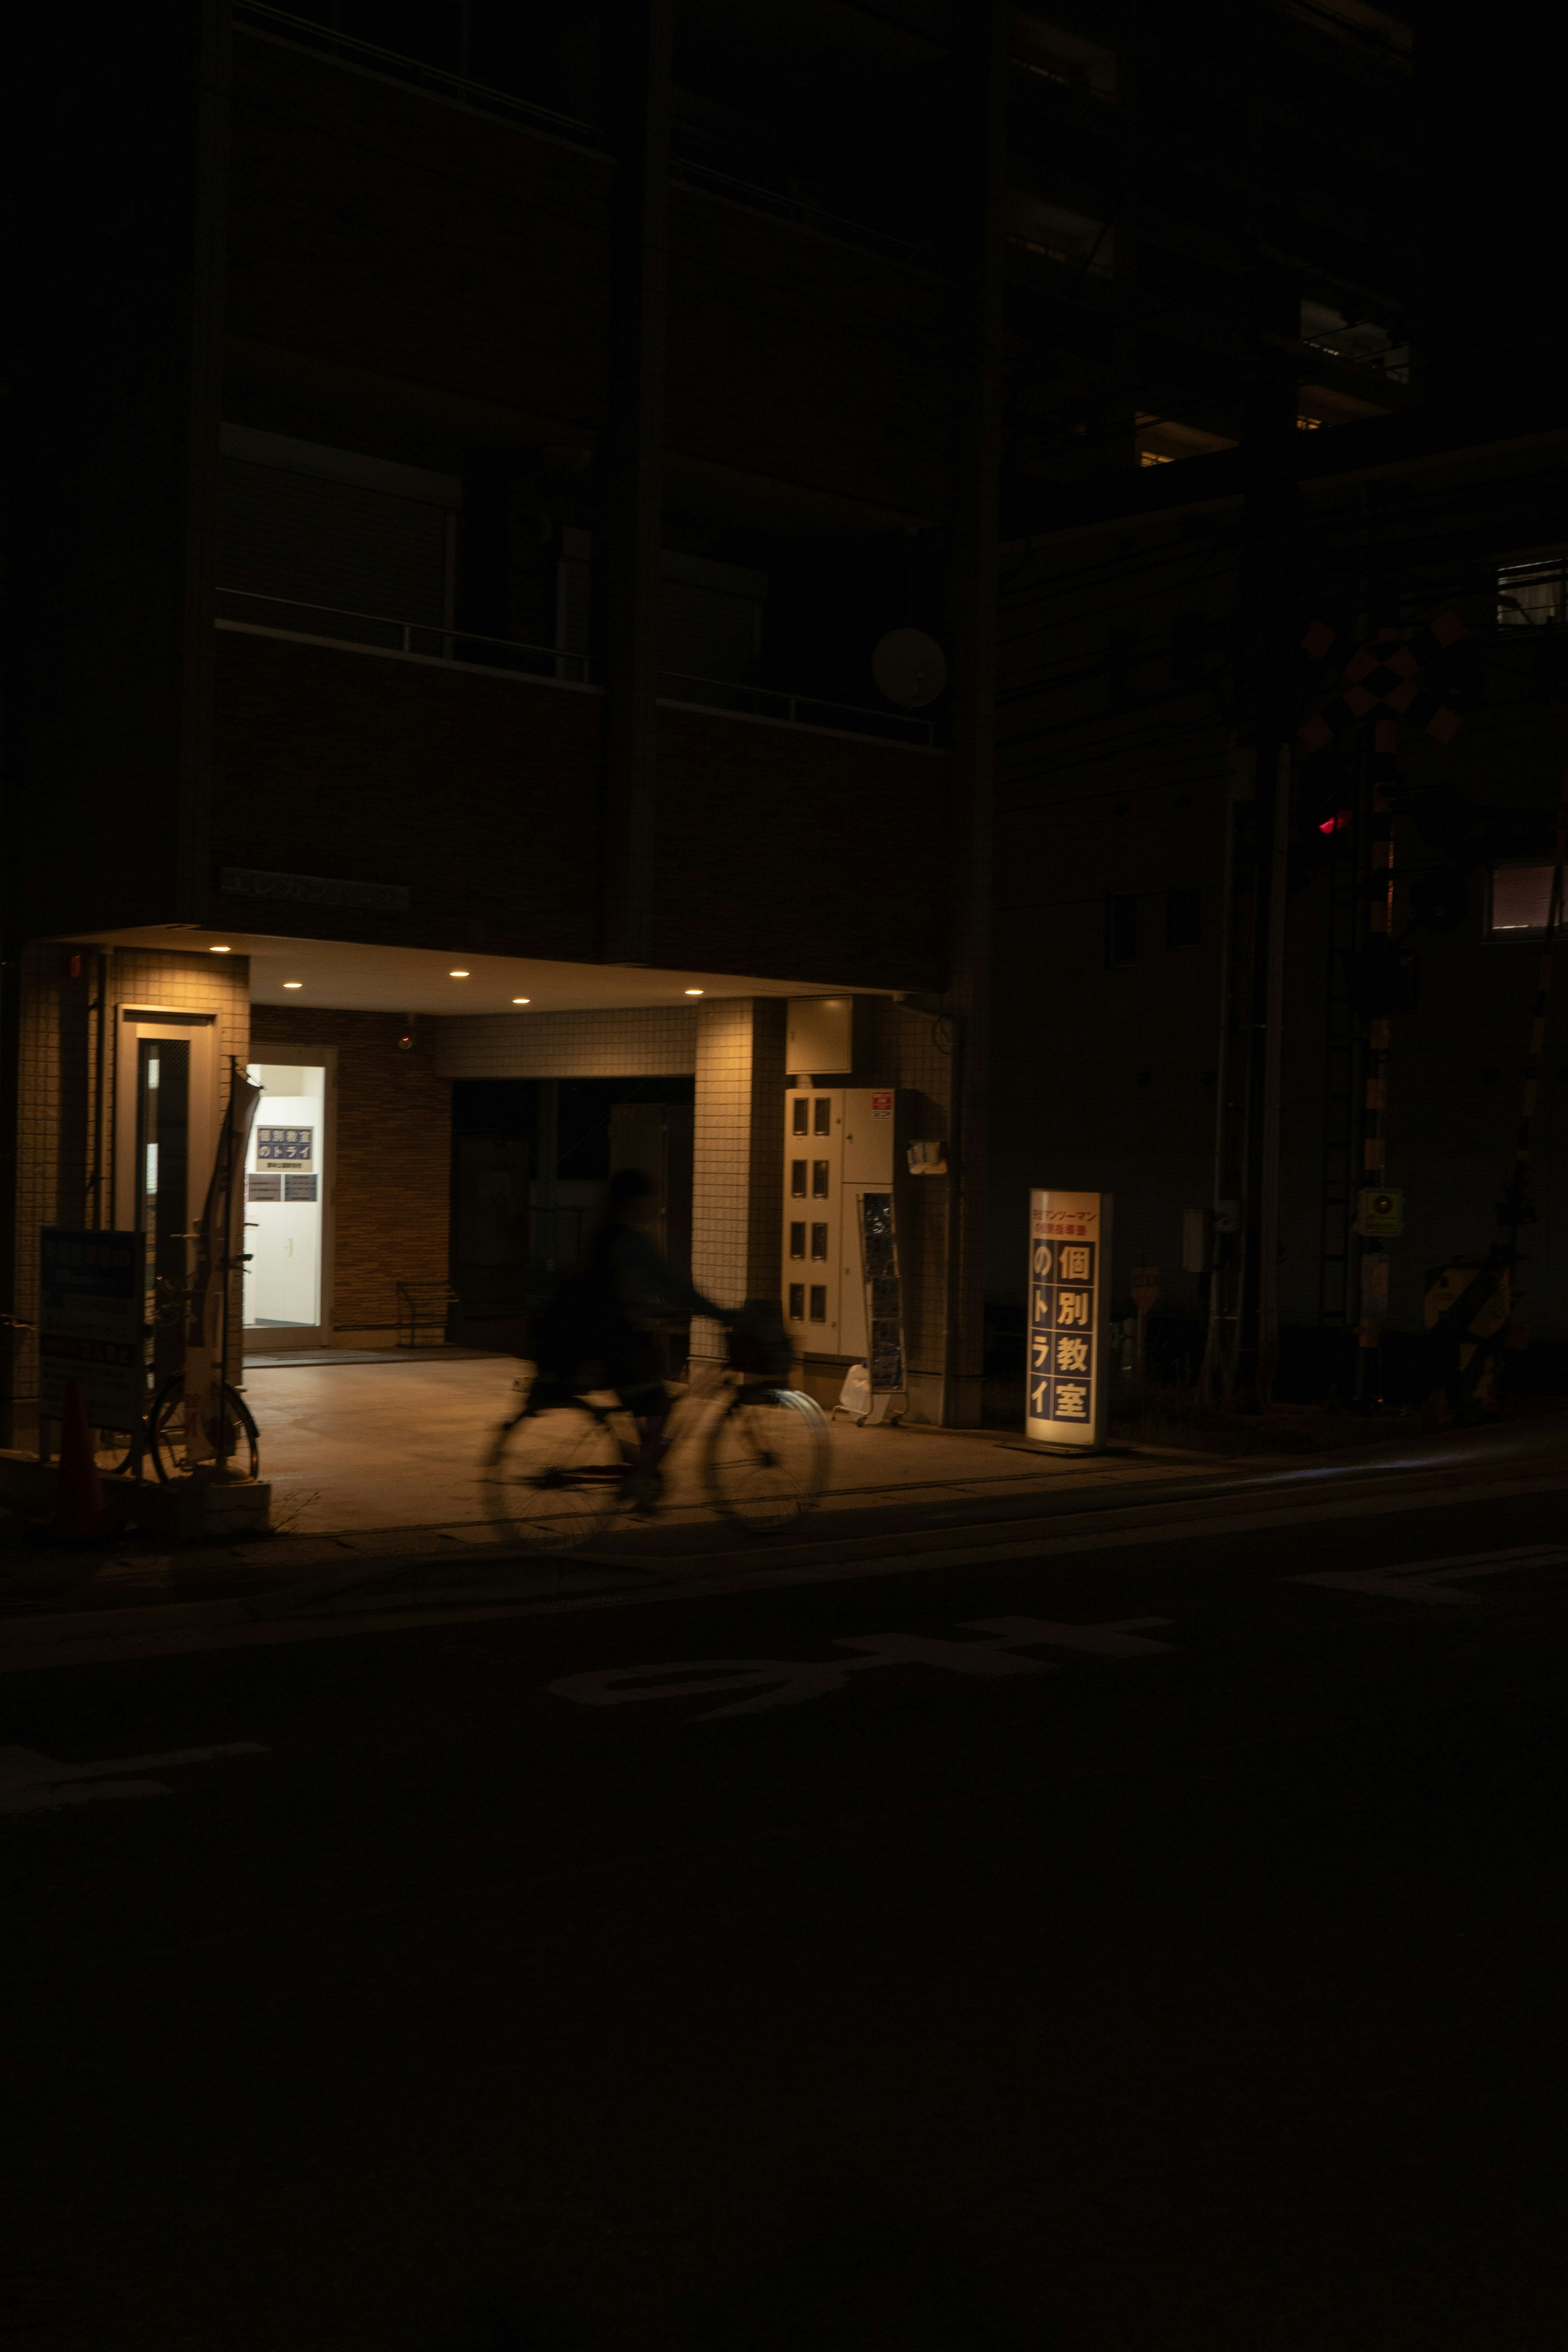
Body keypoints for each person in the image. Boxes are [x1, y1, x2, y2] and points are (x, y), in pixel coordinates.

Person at [530, 1167, 733, 1508]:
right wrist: (723, 1315)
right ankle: (640, 1477)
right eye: (648, 1200)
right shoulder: (631, 1241)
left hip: (596, 1343)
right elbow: (671, 1285)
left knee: (648, 1401)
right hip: (614, 1347)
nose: (653, 1207)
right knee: (661, 1404)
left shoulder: (605, 1235)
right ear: (635, 1201)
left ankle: (643, 1478)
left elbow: (625, 1292)